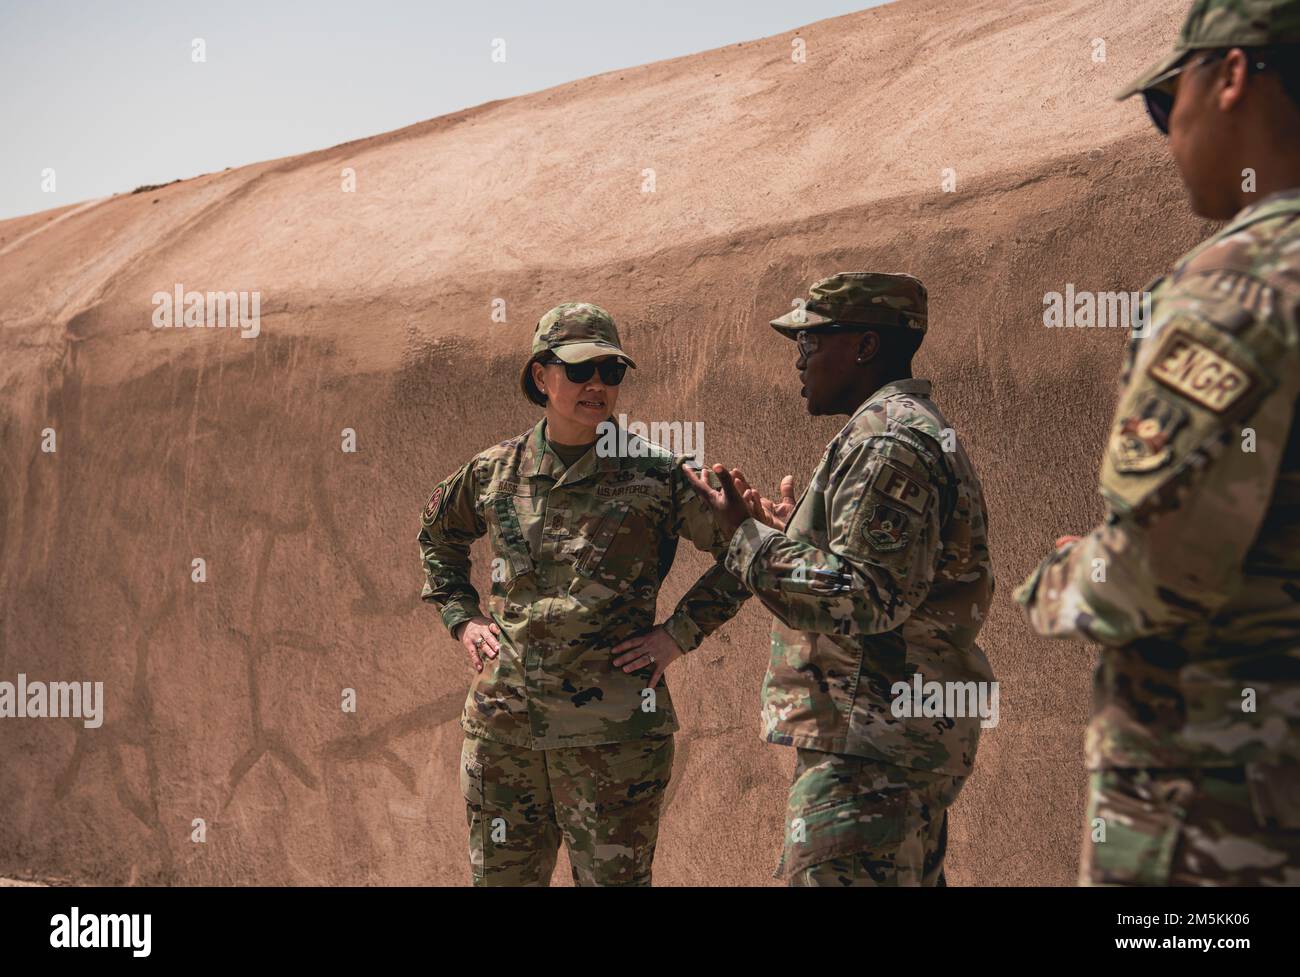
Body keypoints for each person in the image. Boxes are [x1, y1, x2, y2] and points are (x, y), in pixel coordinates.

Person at [1015, 0, 1300, 884]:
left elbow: (1162, 567)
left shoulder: (1236, 287)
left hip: (1221, 812)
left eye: (1163, 100)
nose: (1165, 131)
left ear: (1232, 75)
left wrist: (1060, 579)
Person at [680, 272, 996, 885]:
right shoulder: (893, 432)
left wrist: (748, 539)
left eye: (810, 341)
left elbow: (866, 596)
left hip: (868, 747)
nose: (799, 359)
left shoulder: (889, 442)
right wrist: (785, 539)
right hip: (884, 745)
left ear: (864, 347)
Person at [418, 301, 749, 886]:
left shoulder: (659, 475)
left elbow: (746, 552)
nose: (596, 384)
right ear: (541, 376)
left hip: (614, 741)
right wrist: (461, 617)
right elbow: (439, 536)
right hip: (506, 734)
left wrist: (678, 635)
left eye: (611, 372)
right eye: (579, 370)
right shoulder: (496, 471)